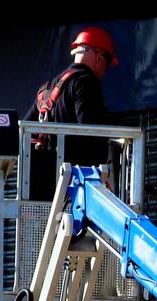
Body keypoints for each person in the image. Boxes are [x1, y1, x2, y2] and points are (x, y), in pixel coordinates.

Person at [24, 27, 118, 201]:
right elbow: (91, 127)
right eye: (106, 63)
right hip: (76, 187)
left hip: (42, 187)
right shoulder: (85, 82)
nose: (105, 71)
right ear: (99, 57)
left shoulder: (46, 90)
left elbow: (23, 131)